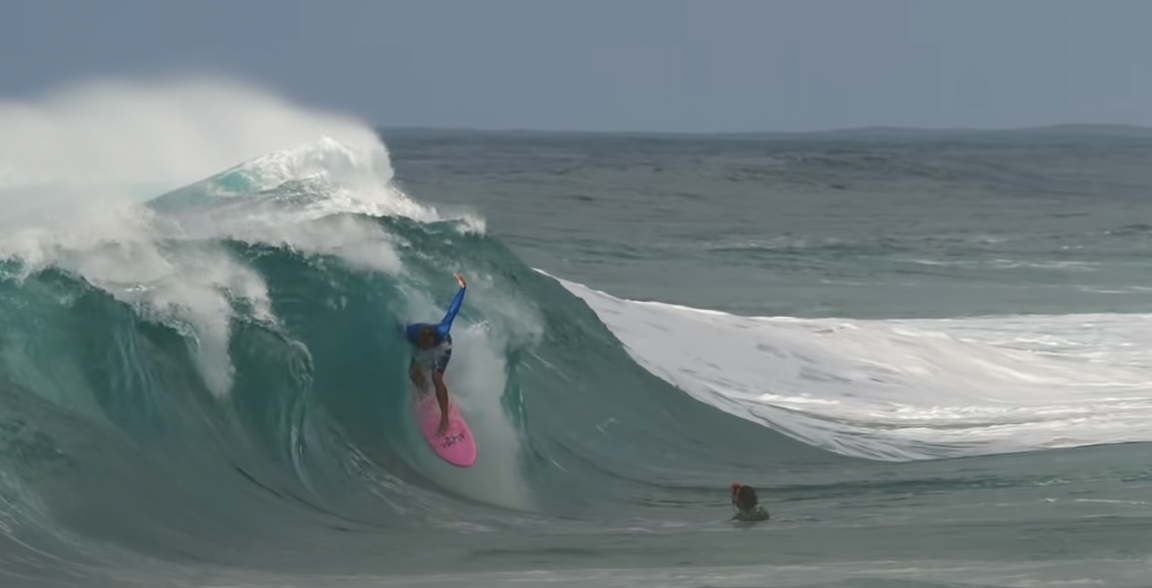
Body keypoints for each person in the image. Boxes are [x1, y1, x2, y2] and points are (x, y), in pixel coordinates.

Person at [405, 271, 467, 437]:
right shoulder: (411, 334)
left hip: (444, 345)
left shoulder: (441, 331)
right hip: (420, 342)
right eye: (425, 346)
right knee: (413, 373)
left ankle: (445, 418)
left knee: (436, 376)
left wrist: (462, 288)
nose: (427, 348)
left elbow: (453, 310)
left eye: (428, 344)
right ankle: (426, 394)